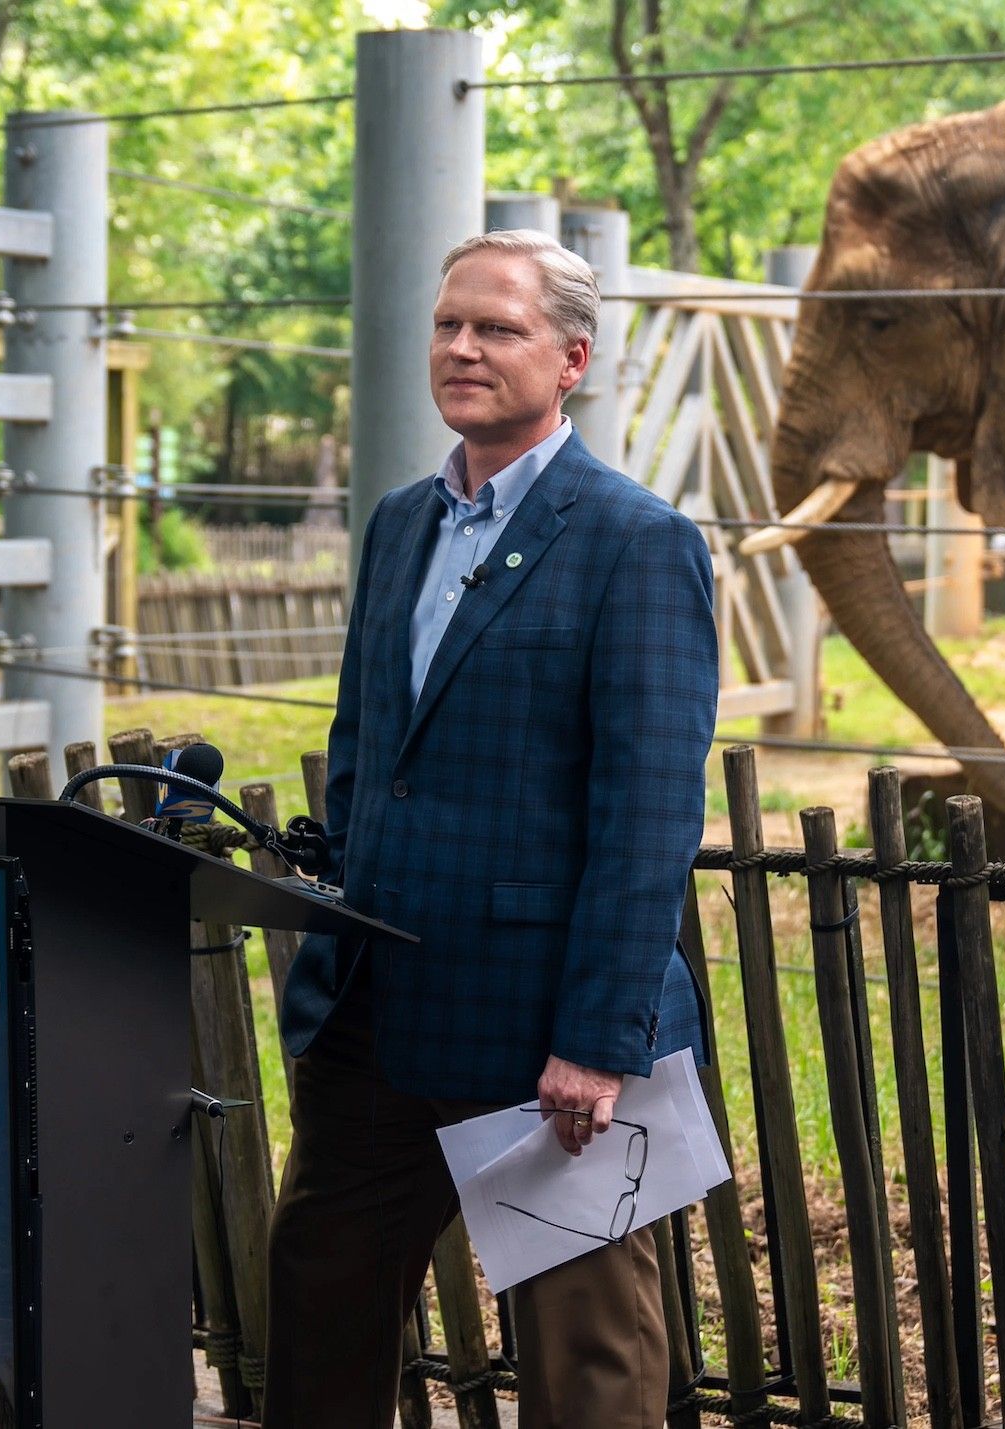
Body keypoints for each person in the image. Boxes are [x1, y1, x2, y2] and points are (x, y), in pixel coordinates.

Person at [263, 229, 720, 1429]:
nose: (462, 347)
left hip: (544, 1053)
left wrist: (598, 1042)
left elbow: (648, 819)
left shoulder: (636, 544)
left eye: (497, 328)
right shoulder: (398, 525)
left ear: (570, 358)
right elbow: (366, 765)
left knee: (588, 1372)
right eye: (448, 324)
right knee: (317, 1323)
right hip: (374, 1020)